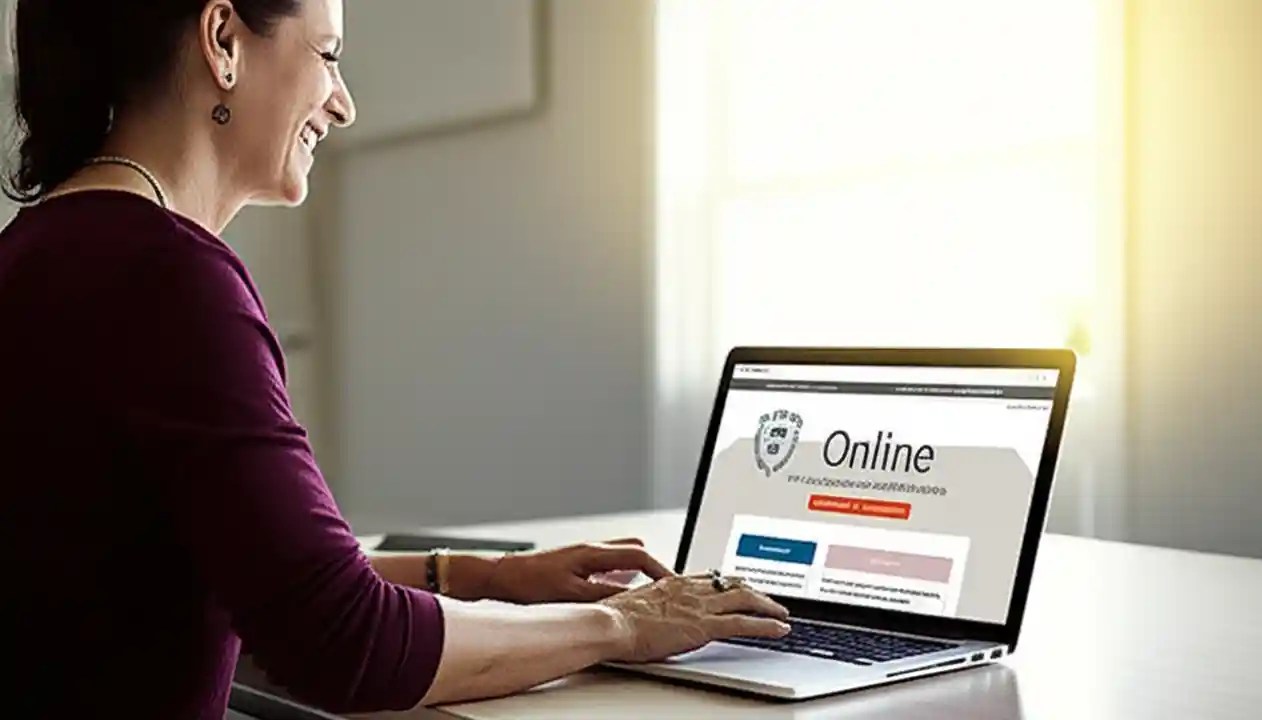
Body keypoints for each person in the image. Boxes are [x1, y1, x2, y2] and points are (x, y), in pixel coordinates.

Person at [0, 1, 790, 717]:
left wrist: (496, 580)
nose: (343, 104)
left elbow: (273, 576)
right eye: (330, 55)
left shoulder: (35, 254)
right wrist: (619, 624)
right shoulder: (169, 277)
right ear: (223, 41)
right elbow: (344, 641)